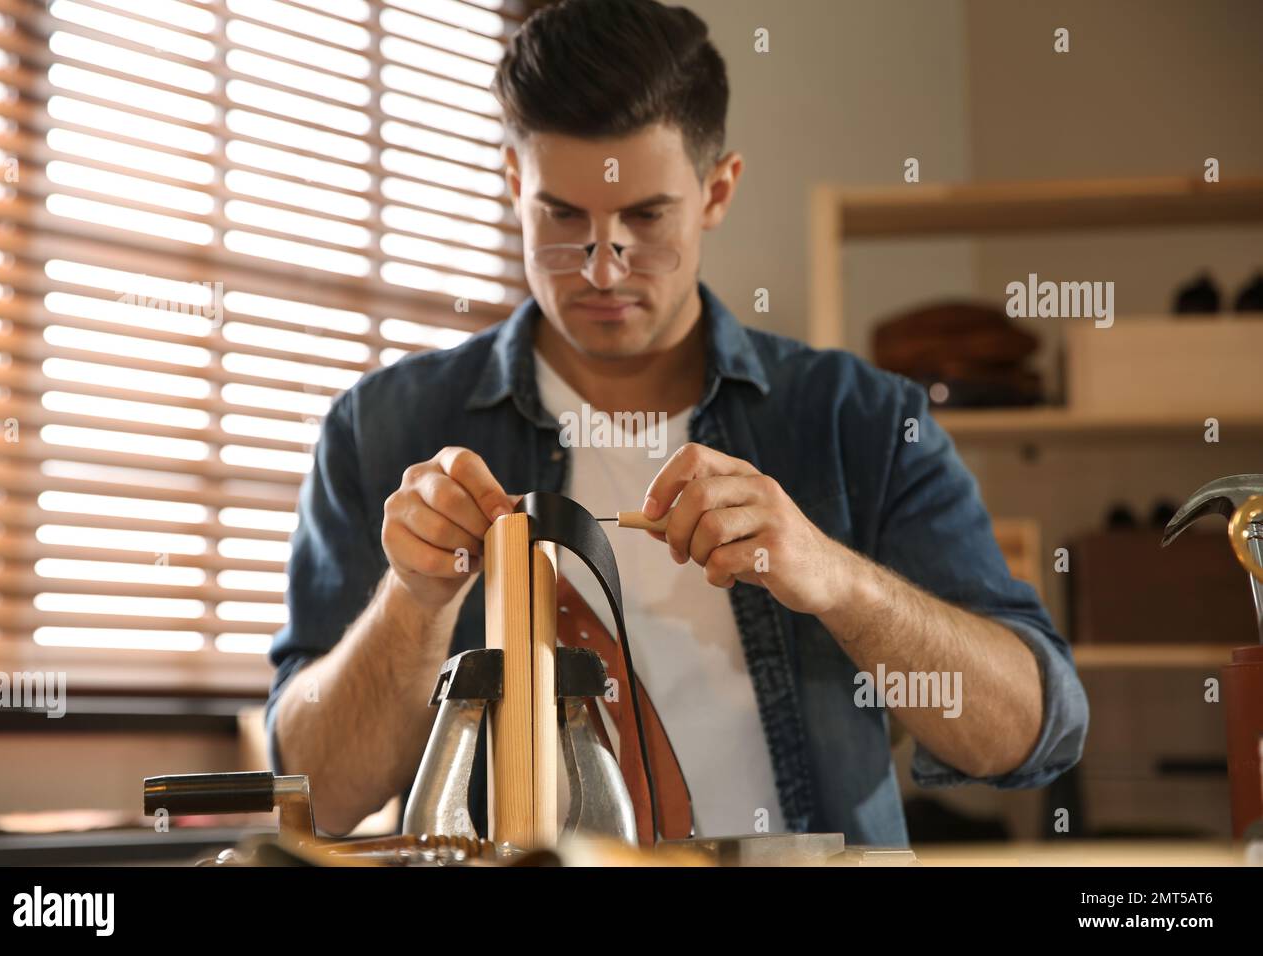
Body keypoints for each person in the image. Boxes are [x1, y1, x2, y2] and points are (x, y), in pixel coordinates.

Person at [266, 0, 1087, 844]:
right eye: (562, 216)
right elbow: (314, 798)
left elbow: (1032, 732)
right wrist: (413, 602)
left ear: (717, 191)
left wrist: (839, 580)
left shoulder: (864, 423)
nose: (600, 264)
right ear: (514, 185)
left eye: (646, 218)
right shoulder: (381, 430)